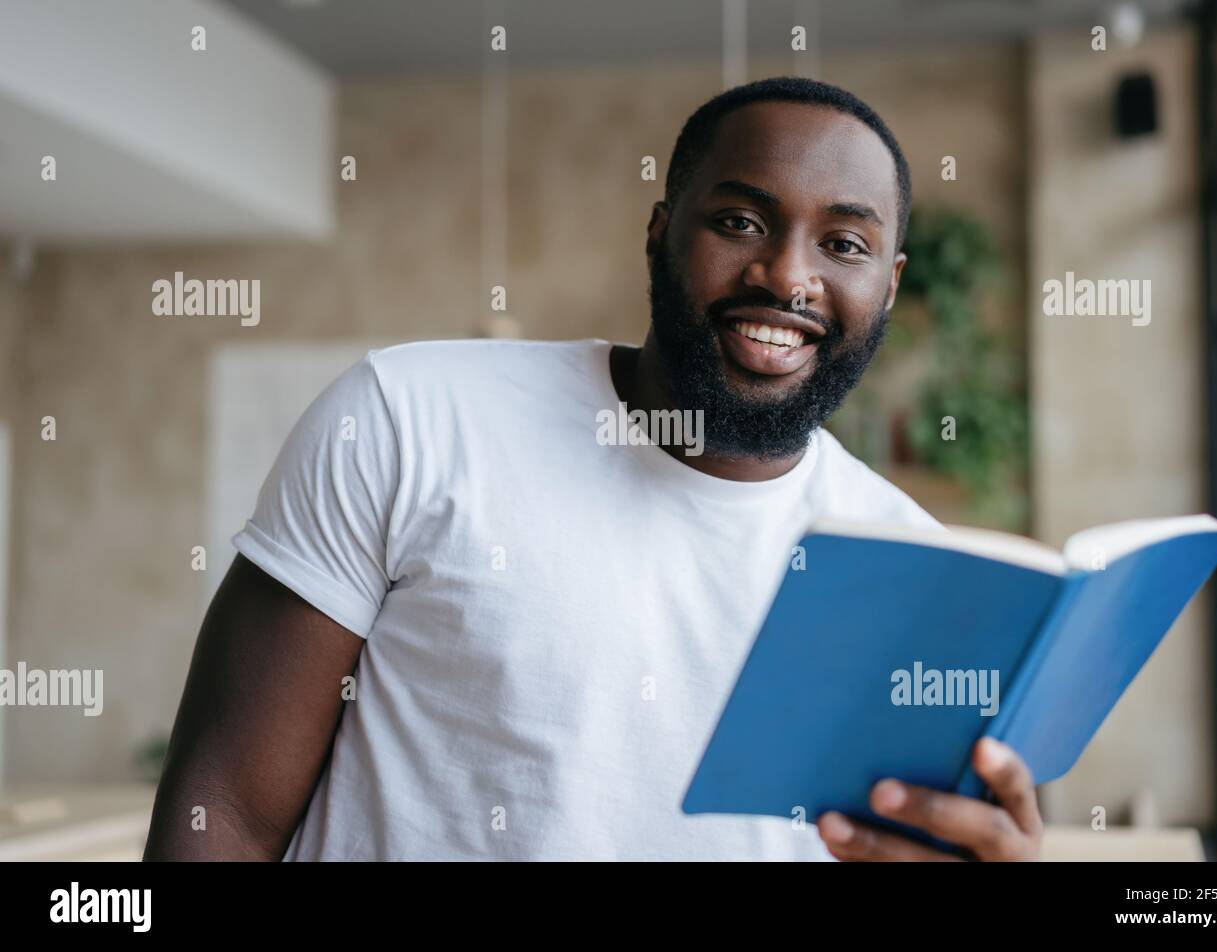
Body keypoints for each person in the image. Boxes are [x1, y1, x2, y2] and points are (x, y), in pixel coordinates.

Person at [145, 76, 1042, 861]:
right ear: (659, 234)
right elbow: (219, 814)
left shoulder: (915, 571)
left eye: (844, 244)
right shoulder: (409, 417)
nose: (785, 276)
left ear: (888, 284)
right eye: (738, 221)